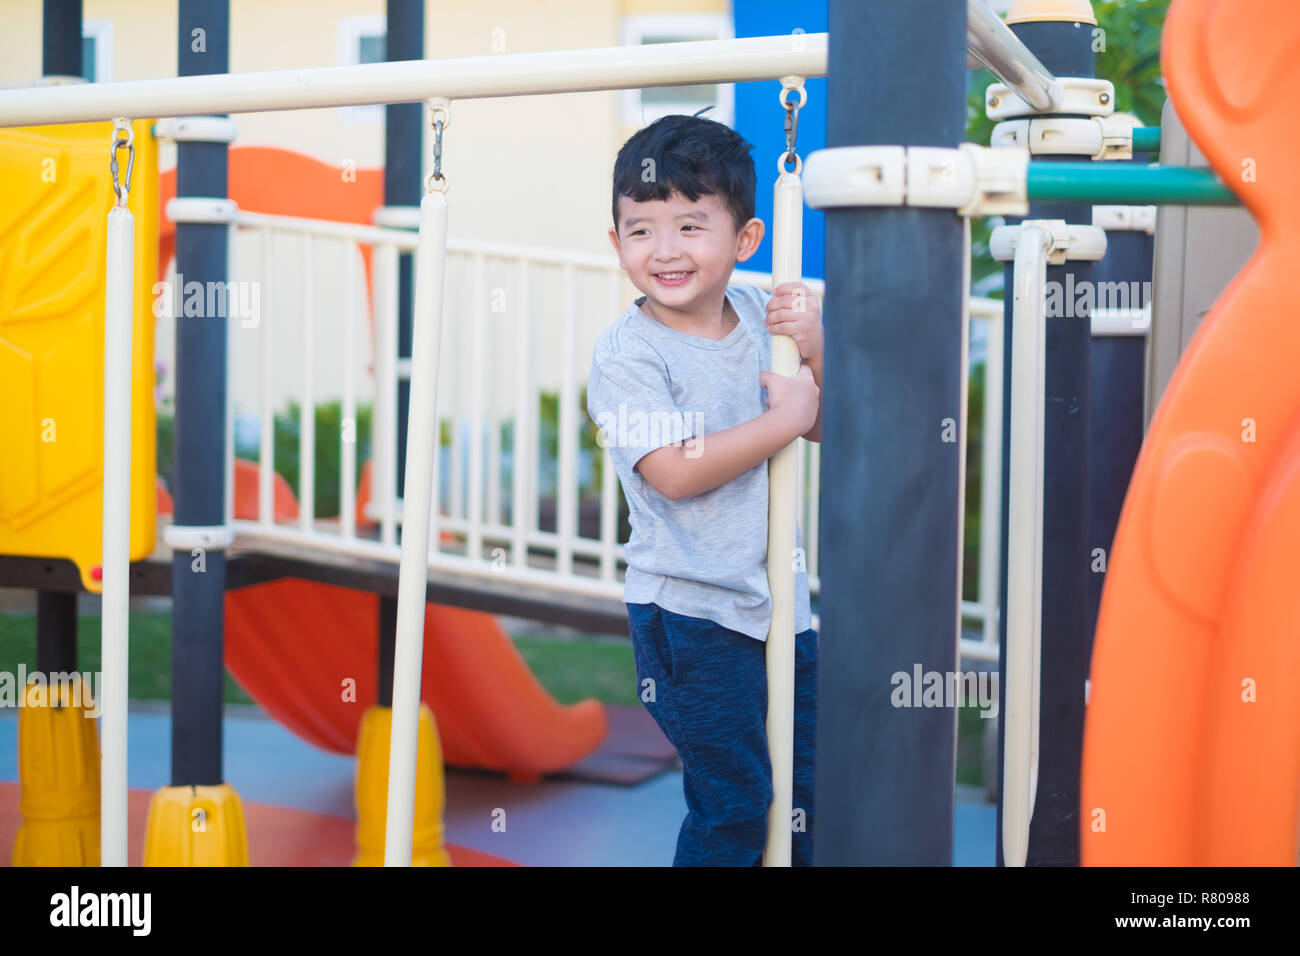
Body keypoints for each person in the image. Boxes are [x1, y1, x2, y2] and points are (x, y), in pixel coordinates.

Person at [585, 113, 824, 866]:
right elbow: (677, 472)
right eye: (642, 229)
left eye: (691, 225)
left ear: (744, 240)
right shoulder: (627, 356)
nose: (665, 250)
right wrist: (786, 418)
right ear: (617, 242)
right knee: (735, 803)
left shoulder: (764, 322)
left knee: (808, 797)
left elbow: (824, 425)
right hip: (688, 612)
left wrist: (817, 352)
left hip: (781, 605)